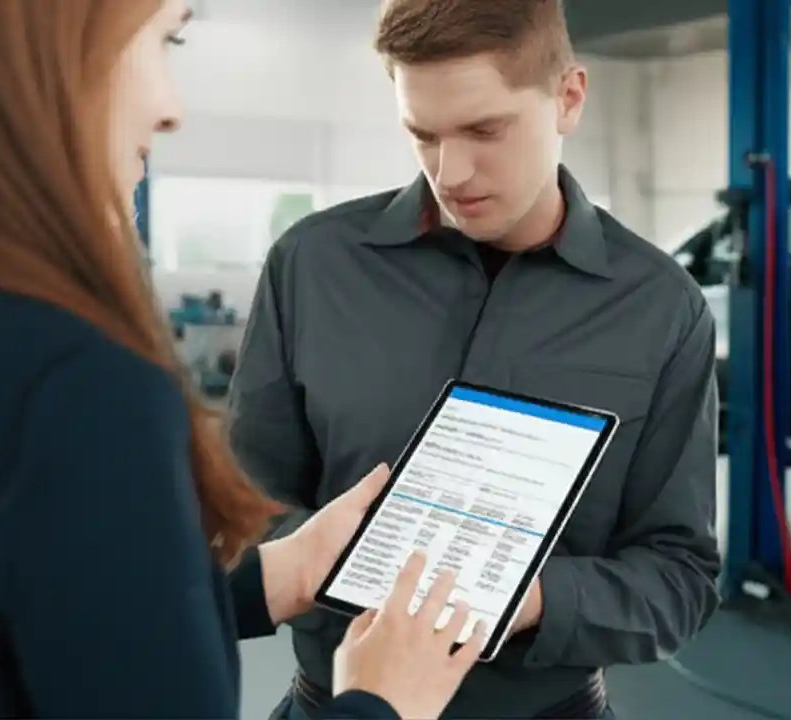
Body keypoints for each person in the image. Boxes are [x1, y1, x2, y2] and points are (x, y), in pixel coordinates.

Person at [0, 1, 485, 718]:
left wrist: (281, 574)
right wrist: (384, 701)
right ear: (46, 56)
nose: (171, 108)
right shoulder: (75, 387)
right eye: (166, 40)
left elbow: (43, 619)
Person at [228, 0, 723, 717]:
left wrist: (529, 599)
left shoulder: (661, 308)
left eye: (484, 130)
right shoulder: (312, 264)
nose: (450, 171)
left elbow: (677, 579)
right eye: (421, 134)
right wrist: (336, 564)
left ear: (569, 98)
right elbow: (242, 508)